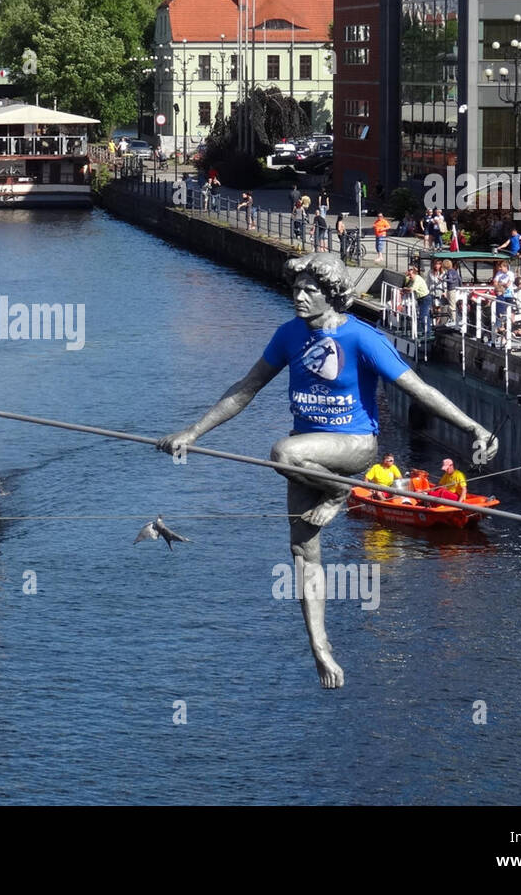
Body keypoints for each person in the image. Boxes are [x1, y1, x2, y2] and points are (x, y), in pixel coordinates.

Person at [157, 251, 497, 689]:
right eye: (295, 289)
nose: (298, 297)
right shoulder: (288, 336)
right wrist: (194, 431)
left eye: (309, 290)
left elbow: (418, 389)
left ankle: (339, 493)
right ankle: (321, 648)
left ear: (332, 294)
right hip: (310, 456)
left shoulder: (362, 338)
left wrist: (473, 427)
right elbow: (245, 389)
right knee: (302, 552)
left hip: (352, 448)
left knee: (282, 453)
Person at [403, 265, 431, 338]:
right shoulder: (412, 279)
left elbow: (412, 289)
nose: (410, 275)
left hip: (425, 298)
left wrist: (405, 289)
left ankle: (427, 333)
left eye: (411, 274)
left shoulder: (417, 279)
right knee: (425, 316)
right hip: (420, 299)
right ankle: (426, 331)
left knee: (423, 316)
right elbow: (406, 284)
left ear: (414, 273)